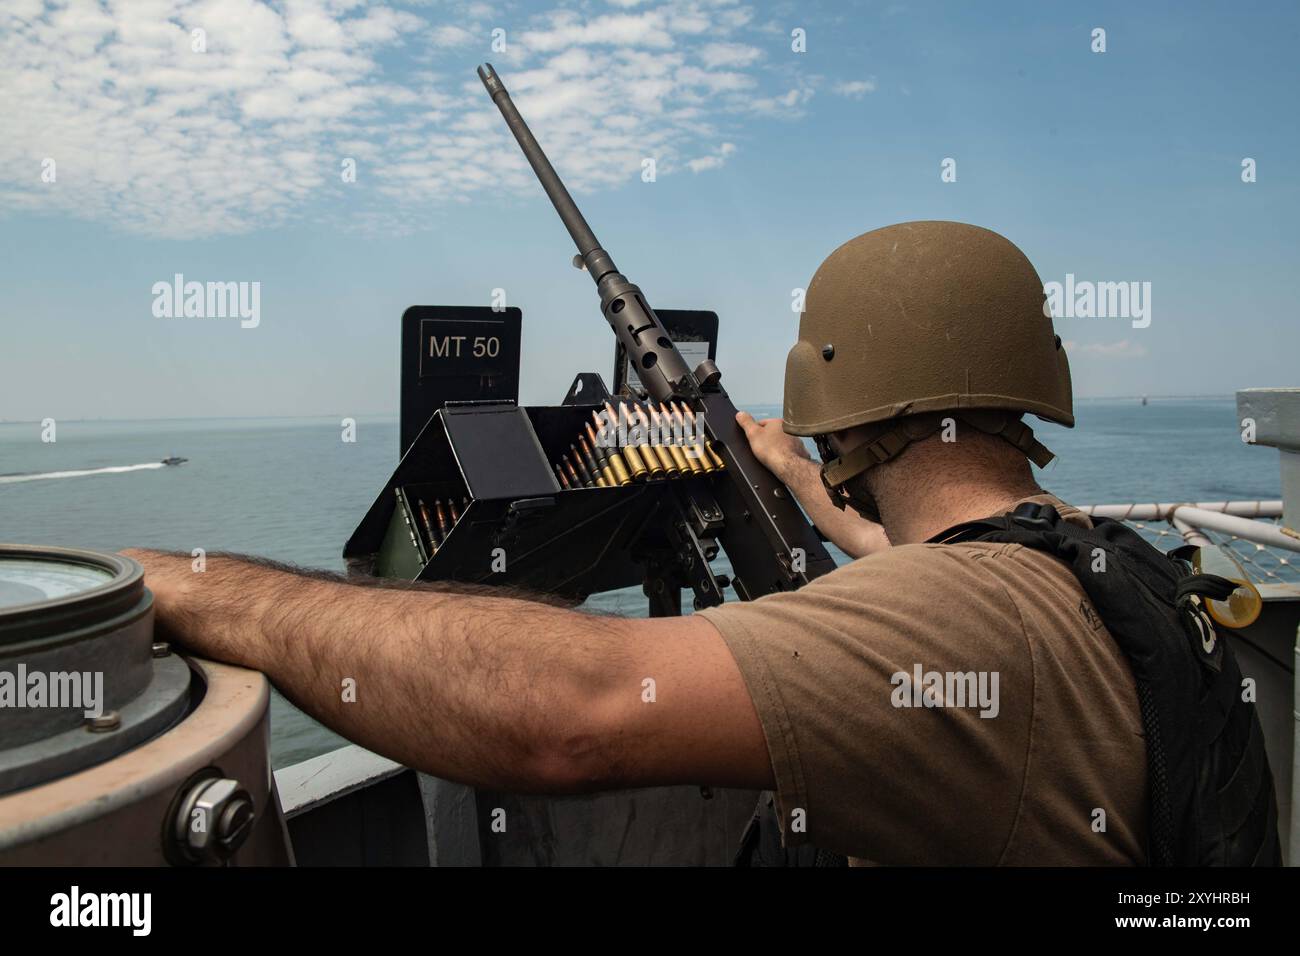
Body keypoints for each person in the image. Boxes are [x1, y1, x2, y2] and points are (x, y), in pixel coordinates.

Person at [124, 220, 1277, 866]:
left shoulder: (965, 620)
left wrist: (213, 586)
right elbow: (927, 573)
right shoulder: (1087, 556)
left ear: (844, 398)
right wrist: (806, 487)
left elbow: (568, 713)